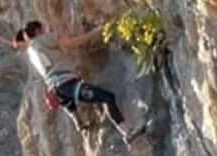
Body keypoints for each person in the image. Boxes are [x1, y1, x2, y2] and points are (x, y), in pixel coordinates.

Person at [13, 20, 143, 140]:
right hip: (66, 84)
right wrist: (95, 32)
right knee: (107, 97)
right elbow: (72, 43)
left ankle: (77, 120)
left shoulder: (31, 52)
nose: (45, 30)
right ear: (37, 31)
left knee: (73, 100)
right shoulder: (43, 39)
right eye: (43, 29)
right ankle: (127, 133)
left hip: (58, 90)